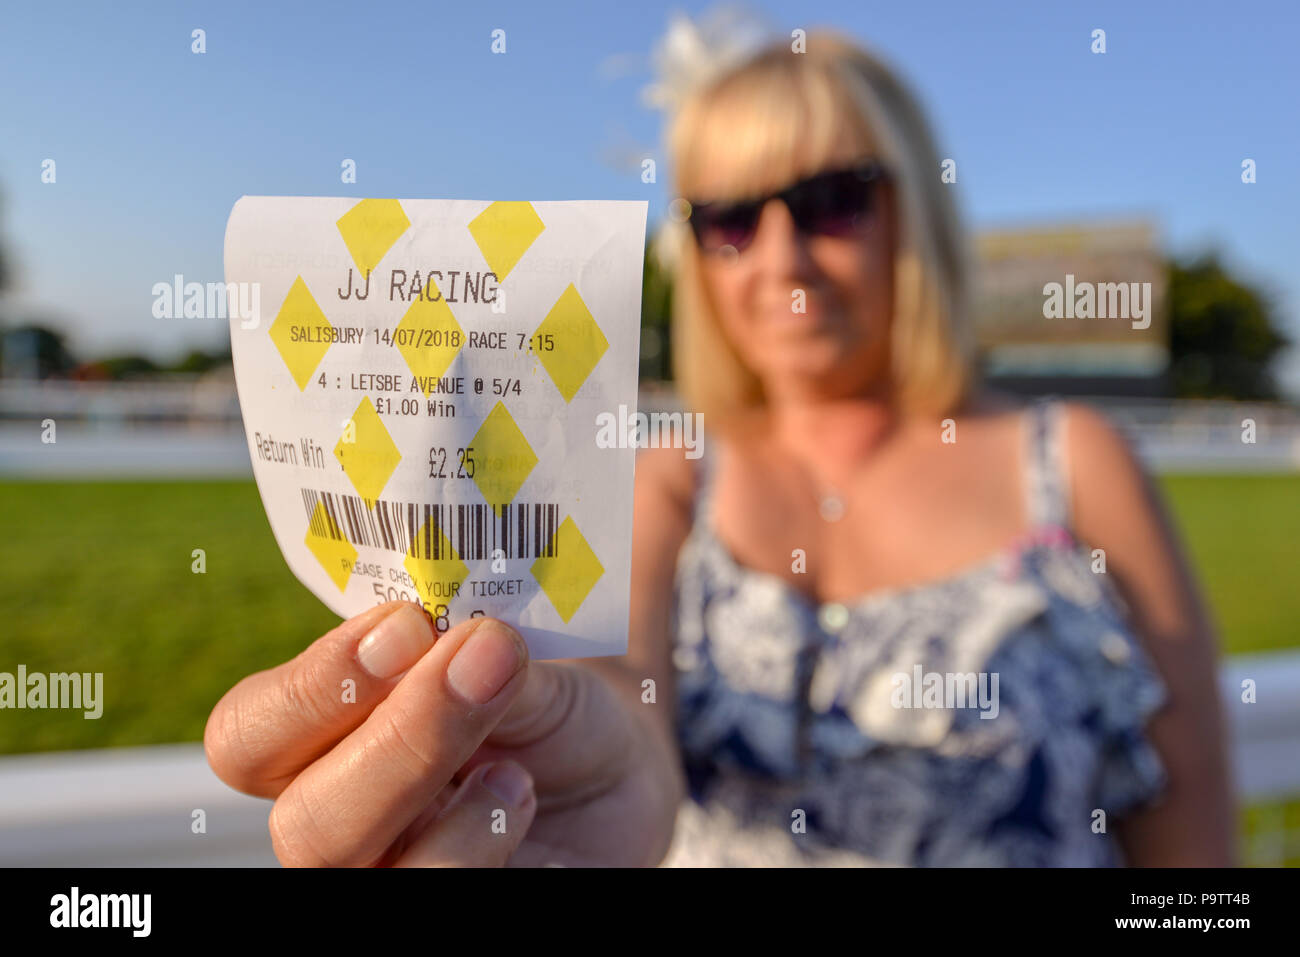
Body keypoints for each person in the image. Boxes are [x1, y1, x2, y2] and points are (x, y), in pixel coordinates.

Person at [204, 28, 1235, 867]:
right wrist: (557, 762)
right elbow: (624, 726)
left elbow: (1190, 839)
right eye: (731, 219)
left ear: (914, 209)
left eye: (832, 199)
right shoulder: (665, 486)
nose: (782, 255)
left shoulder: (1070, 462)